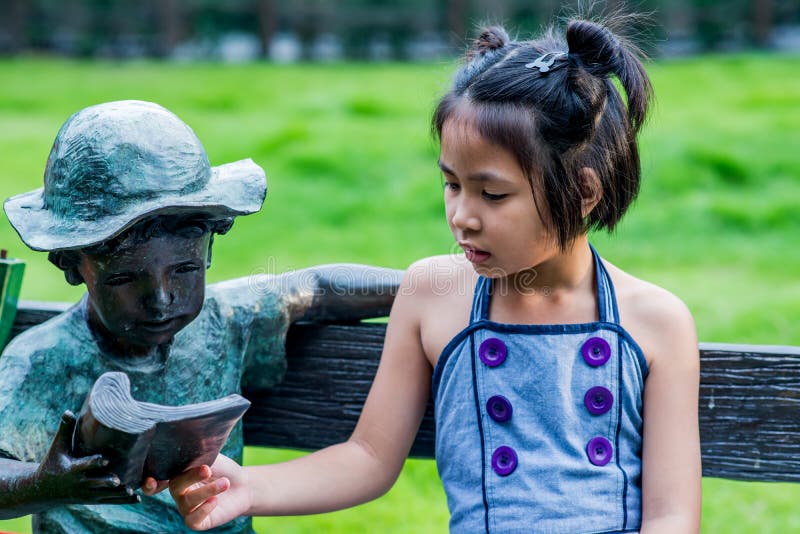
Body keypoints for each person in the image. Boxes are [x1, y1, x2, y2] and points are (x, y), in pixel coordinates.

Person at [169, 17, 701, 533]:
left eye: (493, 194)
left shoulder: (655, 322)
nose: (462, 216)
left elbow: (672, 515)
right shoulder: (432, 296)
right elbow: (369, 456)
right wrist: (250, 488)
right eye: (452, 184)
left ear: (585, 193)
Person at [0, 100, 401, 533]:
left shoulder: (227, 320)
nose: (160, 299)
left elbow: (317, 288)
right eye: (126, 279)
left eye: (185, 271)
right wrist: (44, 483)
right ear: (73, 266)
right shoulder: (42, 360)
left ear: (208, 251)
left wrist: (436, 285)